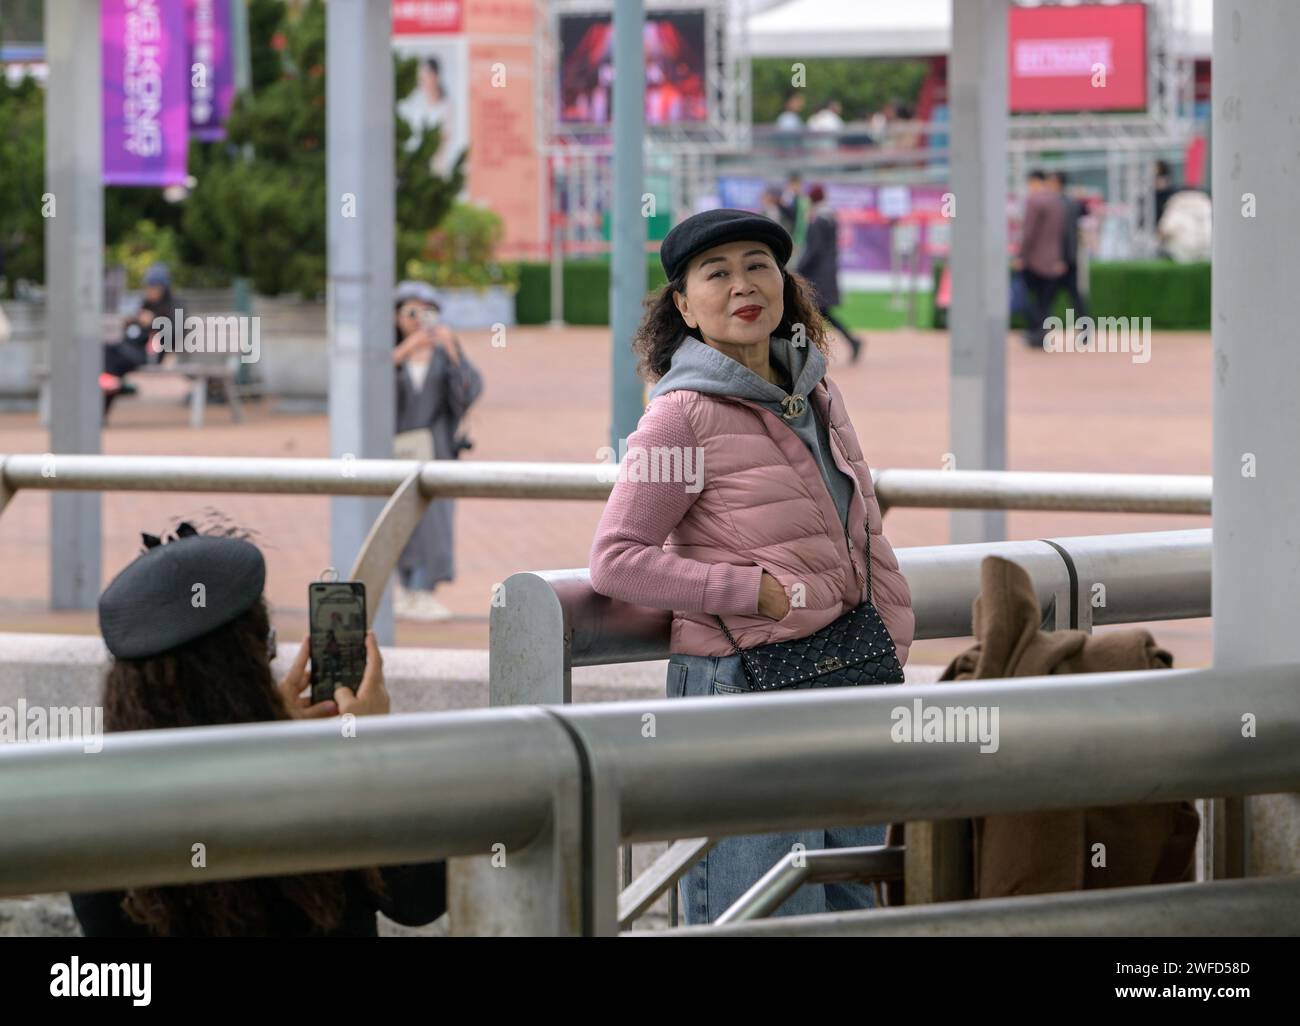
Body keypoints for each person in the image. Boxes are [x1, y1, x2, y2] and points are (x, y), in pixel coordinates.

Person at [589, 209, 915, 925]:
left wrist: (892, 616)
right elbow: (615, 561)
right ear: (683, 305)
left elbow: (860, 518)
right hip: (741, 690)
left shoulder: (818, 393)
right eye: (718, 273)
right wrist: (750, 592)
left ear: (785, 283)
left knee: (850, 902)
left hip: (849, 668)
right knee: (760, 914)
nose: (743, 285)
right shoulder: (682, 415)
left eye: (758, 265)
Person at [72, 520, 446, 937]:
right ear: (247, 664)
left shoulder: (94, 813)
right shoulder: (318, 789)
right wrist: (368, 756)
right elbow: (421, 898)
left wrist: (267, 728)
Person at [392, 281, 483, 621]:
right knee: (397, 519)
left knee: (434, 522)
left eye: (427, 313)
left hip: (436, 448)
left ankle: (424, 589)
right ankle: (404, 589)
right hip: (394, 450)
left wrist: (454, 353)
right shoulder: (388, 354)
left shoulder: (445, 354)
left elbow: (468, 394)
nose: (418, 321)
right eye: (410, 313)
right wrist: (400, 355)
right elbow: (366, 393)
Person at [796, 184, 863, 363]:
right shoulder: (829, 216)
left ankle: (803, 352)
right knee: (822, 313)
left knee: (804, 313)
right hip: (825, 272)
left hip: (817, 275)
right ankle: (852, 341)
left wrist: (797, 269)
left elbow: (813, 250)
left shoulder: (818, 219)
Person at [1014, 170, 1067, 348]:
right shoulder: (1057, 201)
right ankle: (1039, 333)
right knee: (1044, 302)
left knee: (1027, 298)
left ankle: (1038, 331)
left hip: (1035, 260)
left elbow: (1029, 232)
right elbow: (1064, 233)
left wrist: (1021, 255)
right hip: (1054, 260)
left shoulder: (1034, 201)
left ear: (1034, 182)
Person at [1048, 171, 1088, 319]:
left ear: (1057, 183)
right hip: (1070, 256)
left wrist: (1060, 258)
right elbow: (1084, 212)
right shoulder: (1072, 202)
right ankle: (1085, 328)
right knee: (1074, 296)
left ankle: (1039, 330)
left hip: (1059, 258)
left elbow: (1062, 234)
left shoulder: (1057, 204)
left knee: (1047, 298)